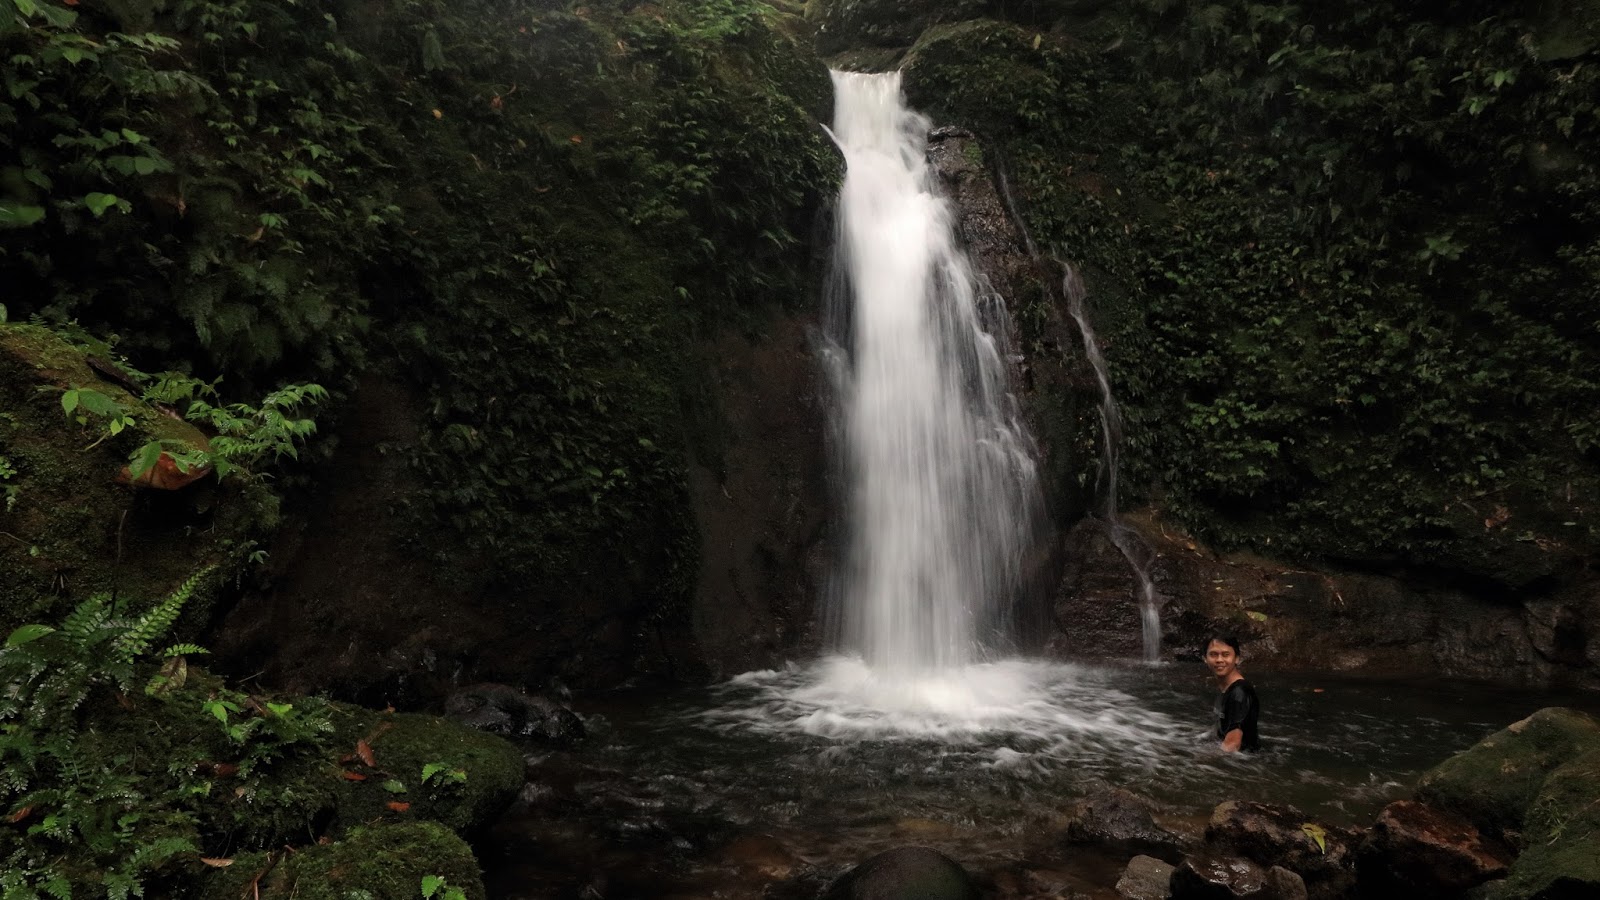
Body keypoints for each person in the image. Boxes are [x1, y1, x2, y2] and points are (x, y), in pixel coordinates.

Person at [1204, 633, 1260, 752]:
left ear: (1237, 659)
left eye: (1225, 655)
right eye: (1213, 654)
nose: (1219, 660)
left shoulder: (1240, 693)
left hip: (1245, 764)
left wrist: (1197, 763)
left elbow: (1232, 744)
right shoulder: (1226, 688)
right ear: (1205, 658)